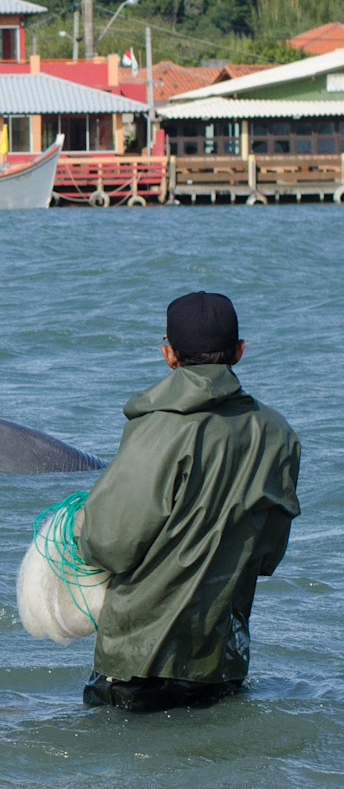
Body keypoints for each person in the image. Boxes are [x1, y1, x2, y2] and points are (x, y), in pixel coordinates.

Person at [78, 291, 301, 712]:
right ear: (239, 350)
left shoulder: (159, 429)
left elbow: (109, 544)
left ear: (168, 354)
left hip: (137, 661)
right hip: (223, 661)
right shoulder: (279, 433)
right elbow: (268, 556)